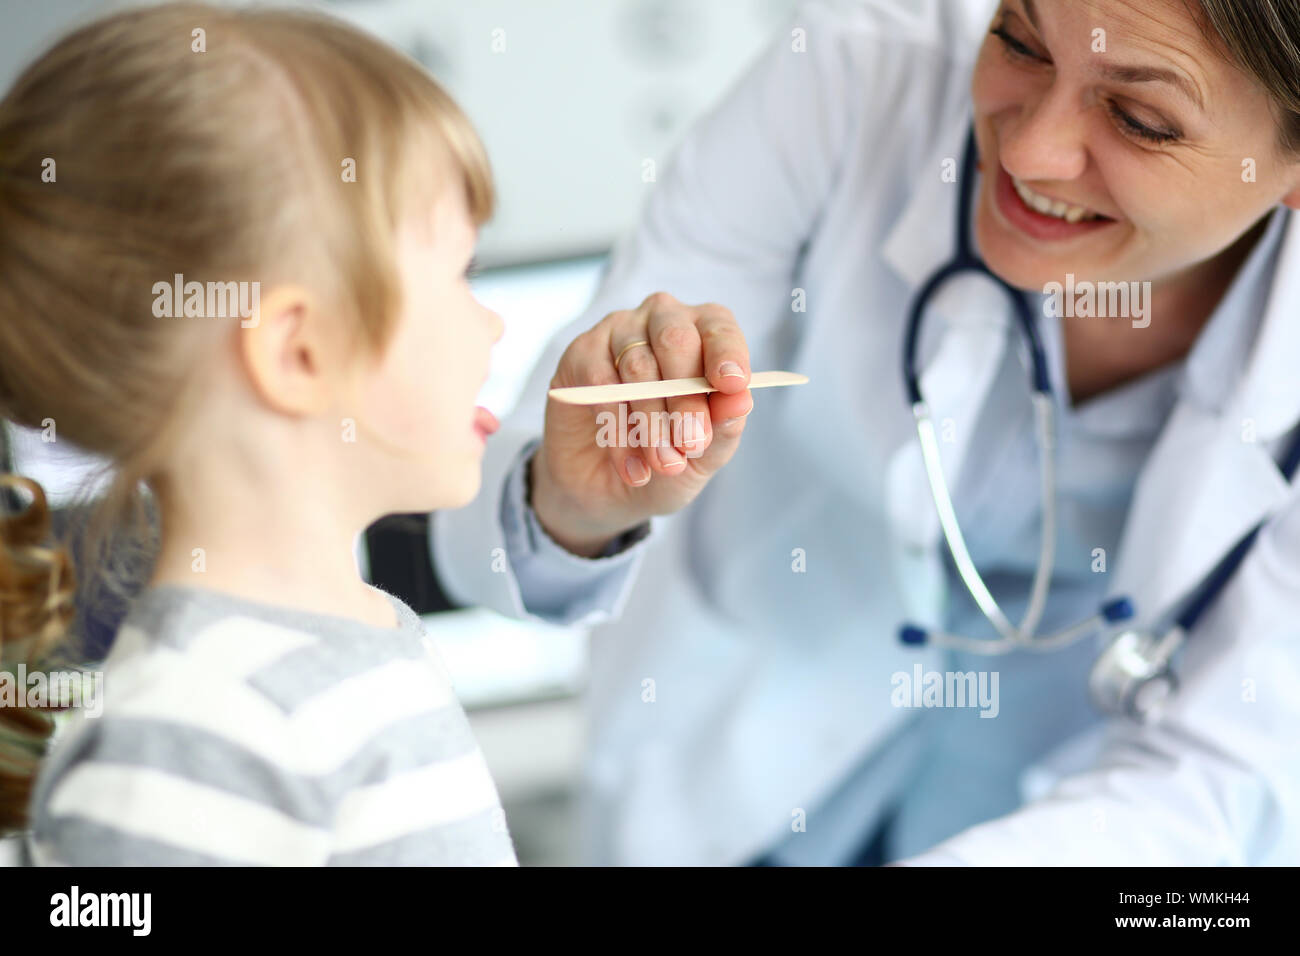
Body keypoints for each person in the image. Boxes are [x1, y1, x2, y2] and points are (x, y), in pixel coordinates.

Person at [433, 0, 1300, 865]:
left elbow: (1225, 777)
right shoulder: (861, 68)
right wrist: (576, 504)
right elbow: (491, 525)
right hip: (734, 781)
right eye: (1020, 41)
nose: (1030, 148)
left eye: (1139, 119)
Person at [0, 3, 516, 865]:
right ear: (299, 351)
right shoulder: (182, 738)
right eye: (460, 274)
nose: (492, 326)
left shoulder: (369, 634)